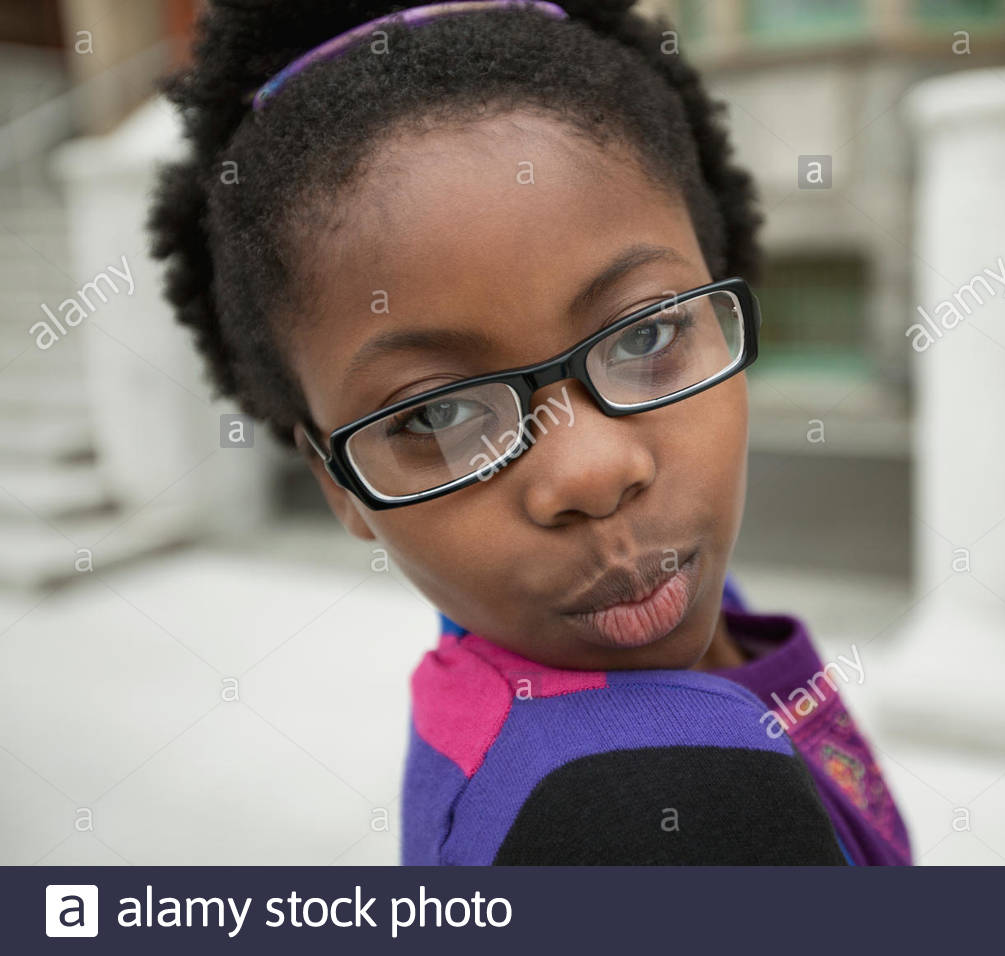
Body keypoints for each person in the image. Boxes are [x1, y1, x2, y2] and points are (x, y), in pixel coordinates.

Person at [149, 0, 912, 866]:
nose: (592, 472)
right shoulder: (657, 820)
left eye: (647, 334)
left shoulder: (666, 608)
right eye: (437, 414)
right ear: (338, 487)